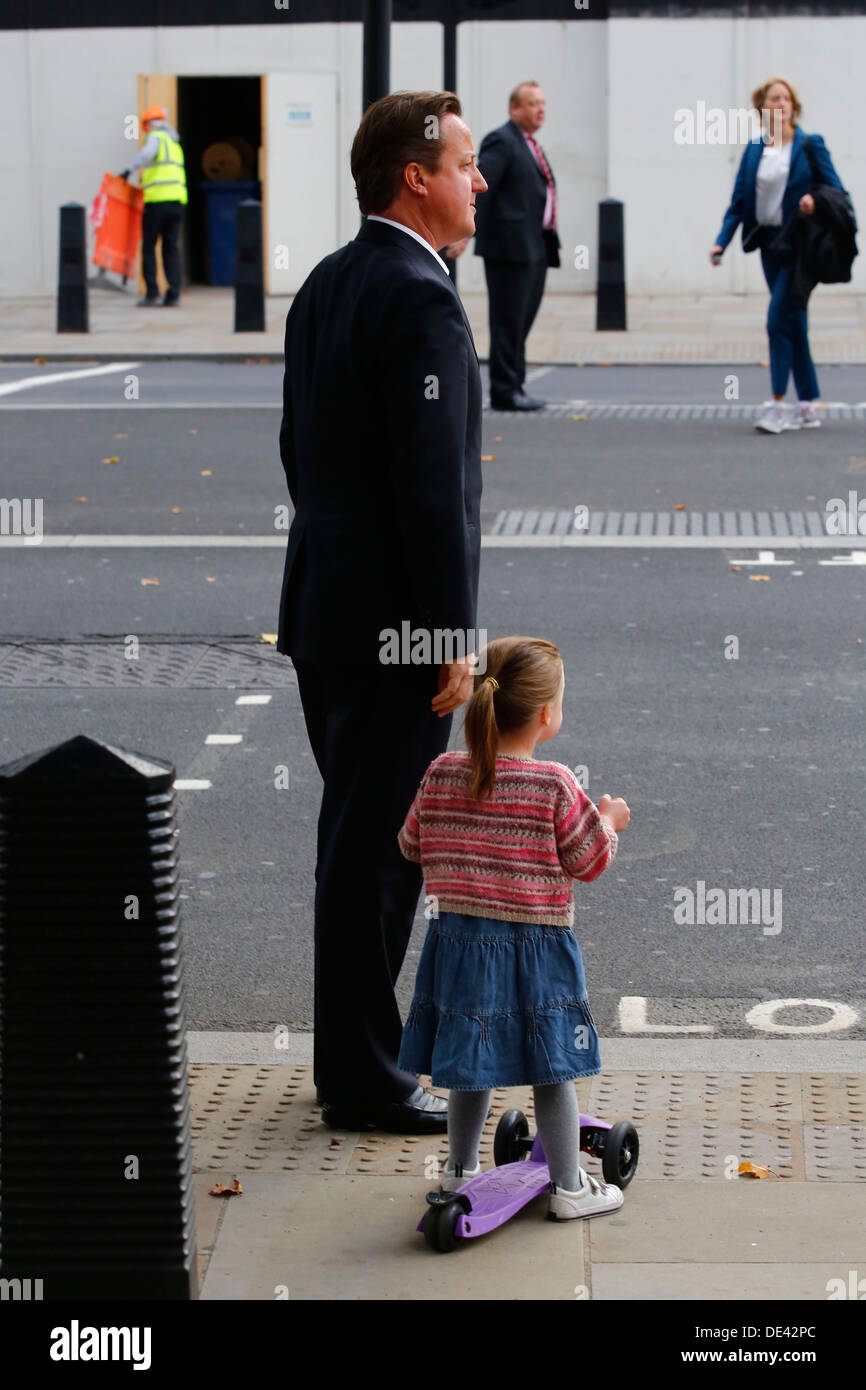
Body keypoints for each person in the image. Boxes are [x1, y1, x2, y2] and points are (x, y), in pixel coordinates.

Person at [276, 91, 487, 1135]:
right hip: (396, 631)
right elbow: (429, 487)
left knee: (357, 841)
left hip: (325, 611)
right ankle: (361, 1078)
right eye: (462, 162)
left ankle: (351, 1061)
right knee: (379, 853)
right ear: (416, 176)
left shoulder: (323, 286)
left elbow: (297, 457)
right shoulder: (420, 297)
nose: (479, 179)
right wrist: (450, 634)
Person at [397, 636, 631, 1220]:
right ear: (546, 715)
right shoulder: (553, 784)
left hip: (457, 944)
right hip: (535, 948)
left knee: (467, 1061)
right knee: (554, 1066)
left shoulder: (441, 772)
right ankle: (571, 1189)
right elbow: (588, 862)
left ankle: (458, 1169)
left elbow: (409, 845)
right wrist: (607, 821)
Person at [710, 78, 844, 434]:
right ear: (763, 108)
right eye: (774, 99)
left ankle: (777, 405)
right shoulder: (755, 149)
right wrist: (721, 241)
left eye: (786, 99)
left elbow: (836, 189)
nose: (781, 104)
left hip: (801, 247)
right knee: (794, 322)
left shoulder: (809, 145)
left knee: (776, 320)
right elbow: (739, 201)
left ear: (793, 106)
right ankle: (808, 404)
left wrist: (815, 201)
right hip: (769, 245)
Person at [473, 81, 562, 412]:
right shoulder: (502, 141)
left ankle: (515, 384)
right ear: (515, 109)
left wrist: (554, 241)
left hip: (535, 249)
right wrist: (464, 232)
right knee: (508, 322)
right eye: (533, 103)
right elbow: (482, 187)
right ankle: (505, 391)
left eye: (543, 103)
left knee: (521, 321)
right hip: (509, 251)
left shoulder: (530, 145)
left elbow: (543, 196)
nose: (541, 109)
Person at [119, 105, 188, 307]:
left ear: (149, 124)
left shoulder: (156, 137)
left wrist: (128, 171)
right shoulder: (175, 143)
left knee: (149, 247)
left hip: (158, 203)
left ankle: (152, 293)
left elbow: (146, 155)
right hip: (177, 203)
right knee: (171, 248)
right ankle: (173, 294)